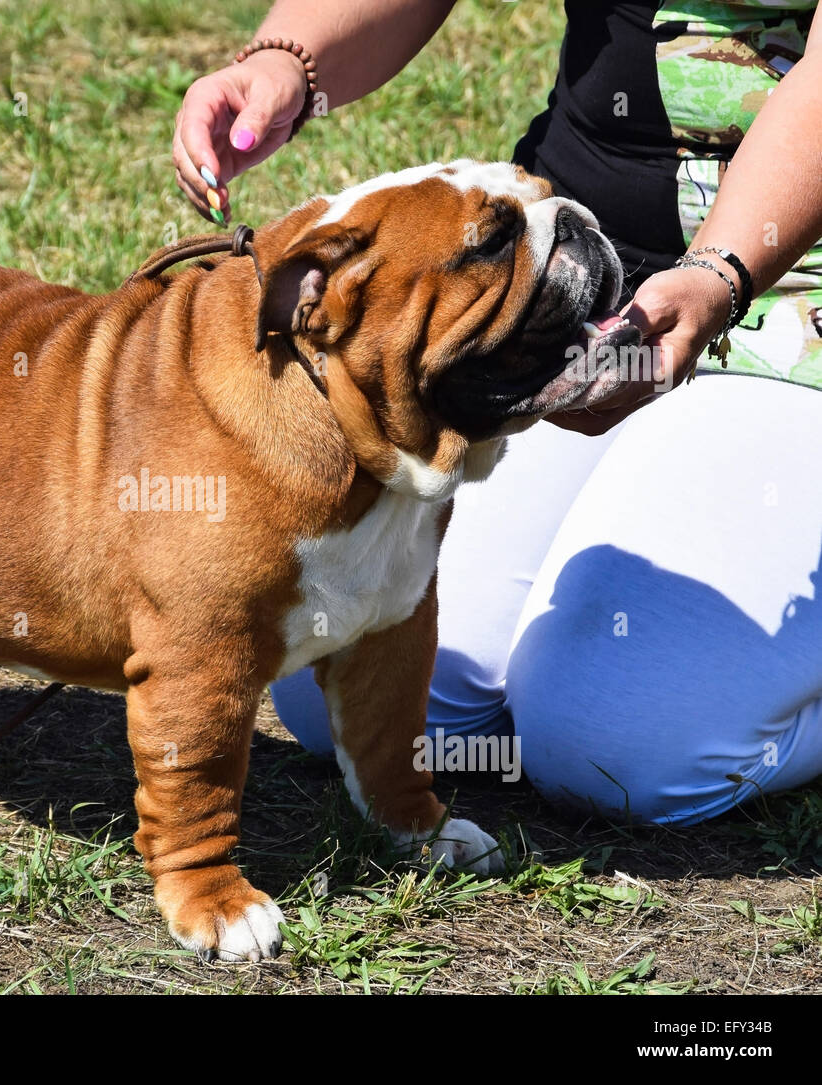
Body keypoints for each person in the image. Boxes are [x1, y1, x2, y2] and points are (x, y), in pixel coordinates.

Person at [172, 0, 822, 824]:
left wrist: (718, 276)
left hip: (790, 288)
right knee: (346, 683)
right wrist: (285, 61)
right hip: (572, 265)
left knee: (619, 748)